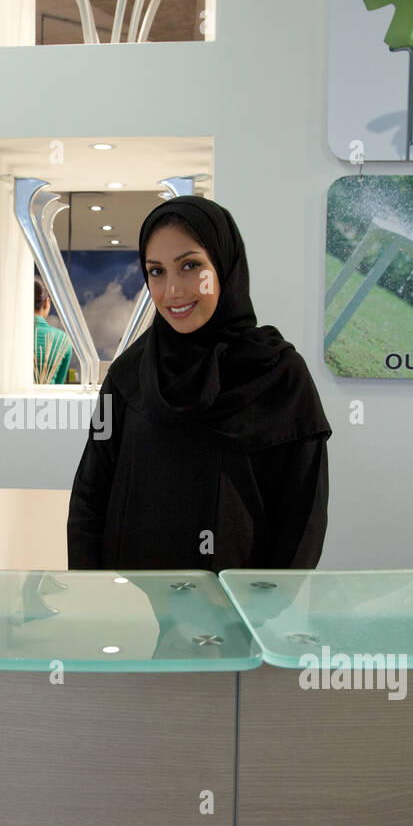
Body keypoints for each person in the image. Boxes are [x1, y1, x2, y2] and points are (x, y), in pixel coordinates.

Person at [66, 196, 331, 572]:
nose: (172, 291)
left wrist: (262, 611)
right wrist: (92, 595)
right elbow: (90, 497)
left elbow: (302, 519)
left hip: (241, 613)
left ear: (224, 266)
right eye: (156, 271)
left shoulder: (279, 375)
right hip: (138, 612)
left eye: (190, 266)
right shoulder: (129, 376)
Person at [33, 277, 73, 384]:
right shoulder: (64, 340)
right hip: (49, 400)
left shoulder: (7, 337)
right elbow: (58, 386)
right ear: (46, 303)